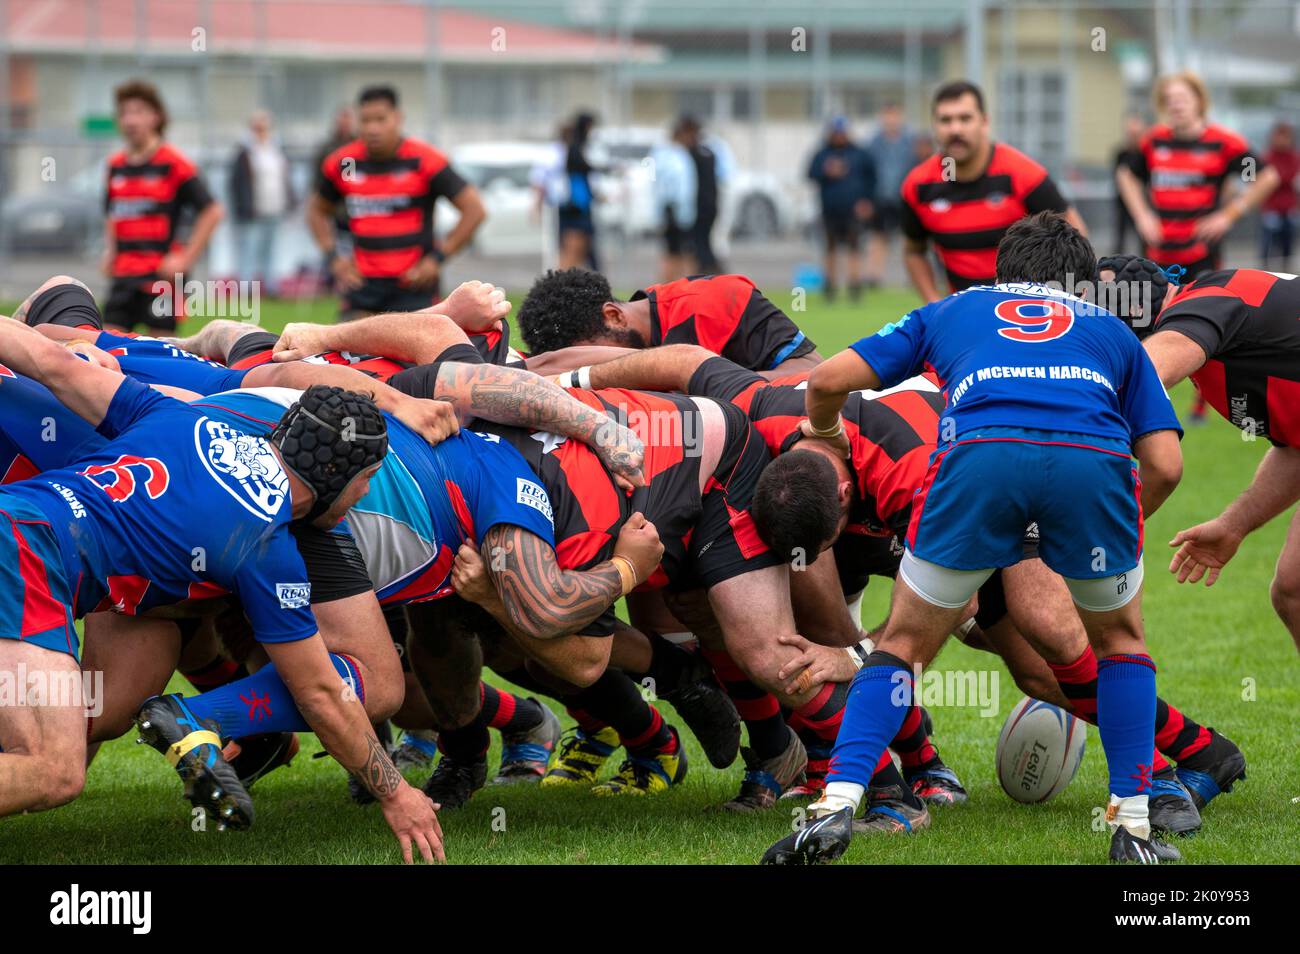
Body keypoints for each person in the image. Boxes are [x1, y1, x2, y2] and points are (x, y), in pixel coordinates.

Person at [764, 212, 1186, 865]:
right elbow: (1165, 465)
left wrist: (825, 432)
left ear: (1000, 275)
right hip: (1091, 466)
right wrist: (1112, 532)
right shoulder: (1115, 334)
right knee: (1122, 646)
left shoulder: (953, 308)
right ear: (1083, 285)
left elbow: (824, 381)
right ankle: (1134, 826)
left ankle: (834, 807)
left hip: (977, 463)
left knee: (901, 646)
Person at [1101, 255, 1300, 668]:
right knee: (1294, 589)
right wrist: (1235, 523)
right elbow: (1295, 449)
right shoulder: (1212, 353)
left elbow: (1142, 377)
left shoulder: (1201, 301)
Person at [308, 85, 486, 320]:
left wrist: (438, 259)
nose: (372, 128)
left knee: (419, 356)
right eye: (365, 120)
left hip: (414, 288)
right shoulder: (345, 162)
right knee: (347, 354)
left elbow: (474, 210)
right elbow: (316, 211)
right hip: (363, 289)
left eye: (381, 119)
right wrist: (334, 260)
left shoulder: (424, 160)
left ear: (398, 118)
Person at [900, 80, 1086, 302]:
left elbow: (1075, 236)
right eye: (946, 120)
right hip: (964, 315)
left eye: (965, 118)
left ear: (984, 122)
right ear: (934, 126)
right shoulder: (918, 186)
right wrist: (936, 305)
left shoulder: (1023, 175)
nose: (955, 129)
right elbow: (913, 251)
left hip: (1025, 314)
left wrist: (1065, 302)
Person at [1117, 71, 1279, 280]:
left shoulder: (1224, 142)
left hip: (1202, 254)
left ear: (1199, 101)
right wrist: (1141, 216)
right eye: (1169, 100)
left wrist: (1229, 214)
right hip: (1156, 252)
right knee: (1155, 311)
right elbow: (1126, 175)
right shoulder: (1153, 141)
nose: (1176, 105)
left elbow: (1266, 177)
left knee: (1198, 310)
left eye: (1182, 99)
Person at [516, 269, 820, 377]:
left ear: (614, 317)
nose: (603, 367)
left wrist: (717, 386)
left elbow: (810, 371)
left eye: (598, 355)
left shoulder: (716, 301)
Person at [102, 79, 224, 333]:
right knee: (107, 350)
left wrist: (186, 258)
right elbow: (112, 213)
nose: (130, 121)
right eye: (124, 113)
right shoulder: (115, 165)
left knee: (161, 352)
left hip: (161, 276)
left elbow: (212, 211)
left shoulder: (174, 163)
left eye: (138, 112)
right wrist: (110, 251)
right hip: (124, 275)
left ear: (156, 117)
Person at [807, 117, 876, 302]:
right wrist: (826, 171)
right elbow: (810, 173)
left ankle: (855, 286)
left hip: (853, 211)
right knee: (830, 248)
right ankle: (830, 286)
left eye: (841, 133)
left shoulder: (859, 154)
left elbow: (871, 179)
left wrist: (867, 201)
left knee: (854, 247)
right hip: (830, 211)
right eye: (835, 133)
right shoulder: (822, 154)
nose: (839, 136)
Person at [229, 110, 294, 293]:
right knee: (248, 250)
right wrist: (242, 208)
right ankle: (246, 289)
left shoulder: (277, 150)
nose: (261, 132)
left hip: (274, 209)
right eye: (257, 128)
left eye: (264, 128)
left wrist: (290, 201)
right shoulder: (244, 153)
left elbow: (286, 178)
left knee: (270, 251)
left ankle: (271, 287)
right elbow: (236, 184)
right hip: (252, 212)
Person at [864, 104, 917, 288]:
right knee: (878, 237)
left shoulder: (910, 141)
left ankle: (913, 276)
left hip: (904, 198)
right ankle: (873, 276)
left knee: (908, 238)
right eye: (887, 117)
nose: (891, 121)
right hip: (879, 197)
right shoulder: (874, 143)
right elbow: (866, 171)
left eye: (894, 116)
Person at [678, 115, 726, 274]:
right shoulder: (709, 152)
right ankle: (712, 273)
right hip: (711, 205)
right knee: (704, 243)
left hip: (699, 207)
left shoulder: (690, 155)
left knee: (699, 245)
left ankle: (712, 275)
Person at [652, 124, 697, 282]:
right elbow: (674, 187)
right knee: (677, 253)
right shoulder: (673, 157)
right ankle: (675, 286)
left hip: (677, 211)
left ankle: (677, 285)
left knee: (678, 252)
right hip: (675, 211)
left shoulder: (670, 155)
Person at [557, 112, 601, 271]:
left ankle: (571, 281)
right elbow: (584, 169)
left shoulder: (578, 147)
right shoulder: (575, 147)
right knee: (573, 247)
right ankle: (561, 284)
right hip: (576, 204)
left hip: (580, 203)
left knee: (581, 248)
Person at [1260, 121, 1299, 271]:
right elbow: (1262, 181)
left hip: (1289, 208)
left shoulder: (1295, 157)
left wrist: (1276, 179)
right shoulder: (1266, 157)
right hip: (1271, 208)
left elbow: (1285, 178)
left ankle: (1286, 271)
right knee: (1267, 244)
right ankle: (1265, 271)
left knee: (1288, 243)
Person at [1112, 113, 1146, 255]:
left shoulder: (1144, 153)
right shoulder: (1121, 153)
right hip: (1122, 202)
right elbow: (1118, 175)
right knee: (1120, 234)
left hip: (1142, 200)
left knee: (1143, 234)